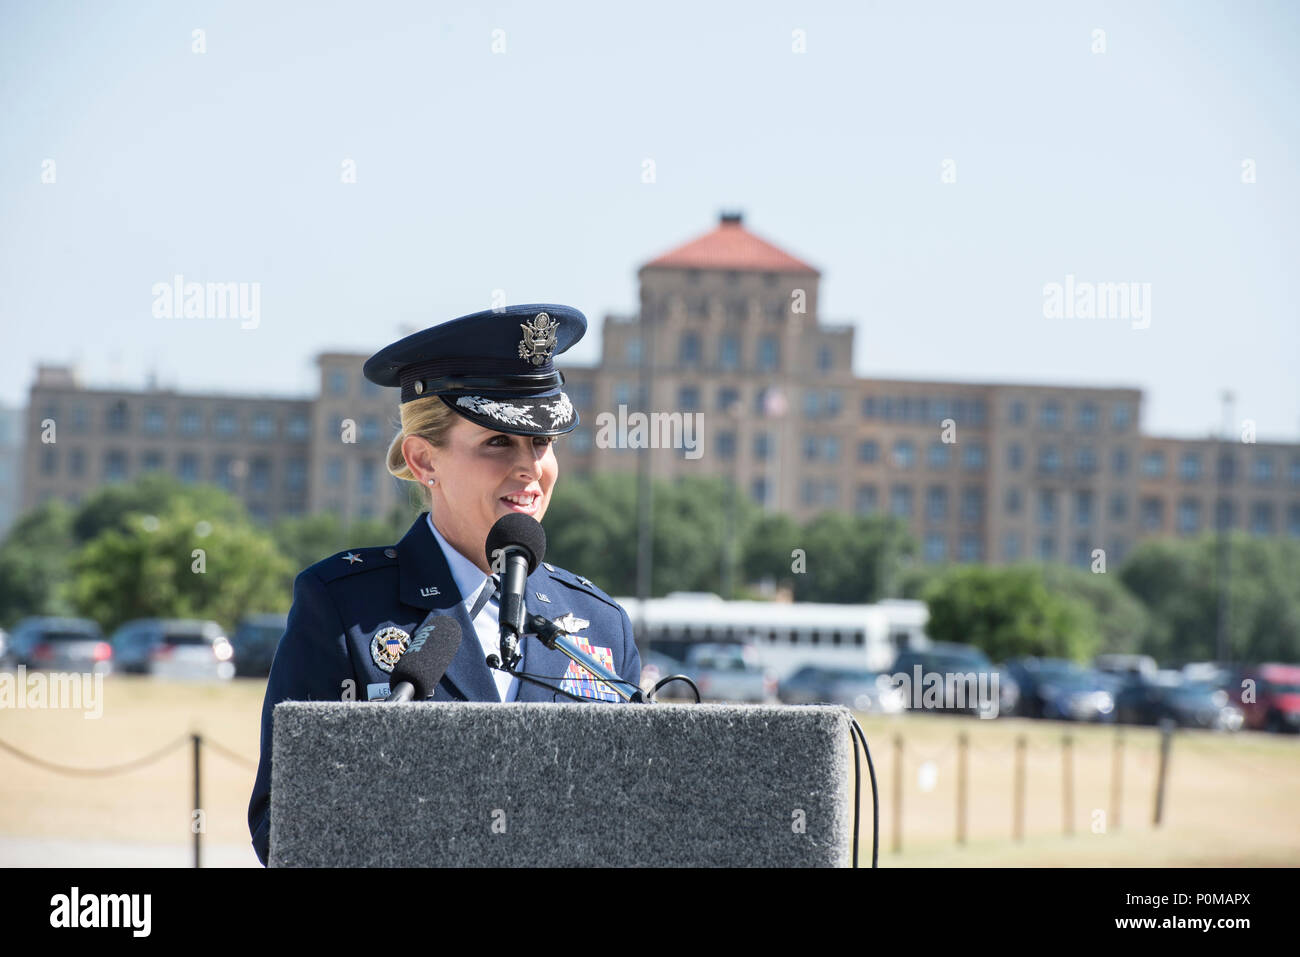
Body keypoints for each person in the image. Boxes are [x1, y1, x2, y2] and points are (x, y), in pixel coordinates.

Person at [247, 303, 642, 866]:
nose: (531, 469)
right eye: (498, 443)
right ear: (423, 459)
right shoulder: (344, 606)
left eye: (543, 443)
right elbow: (282, 823)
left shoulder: (601, 626)